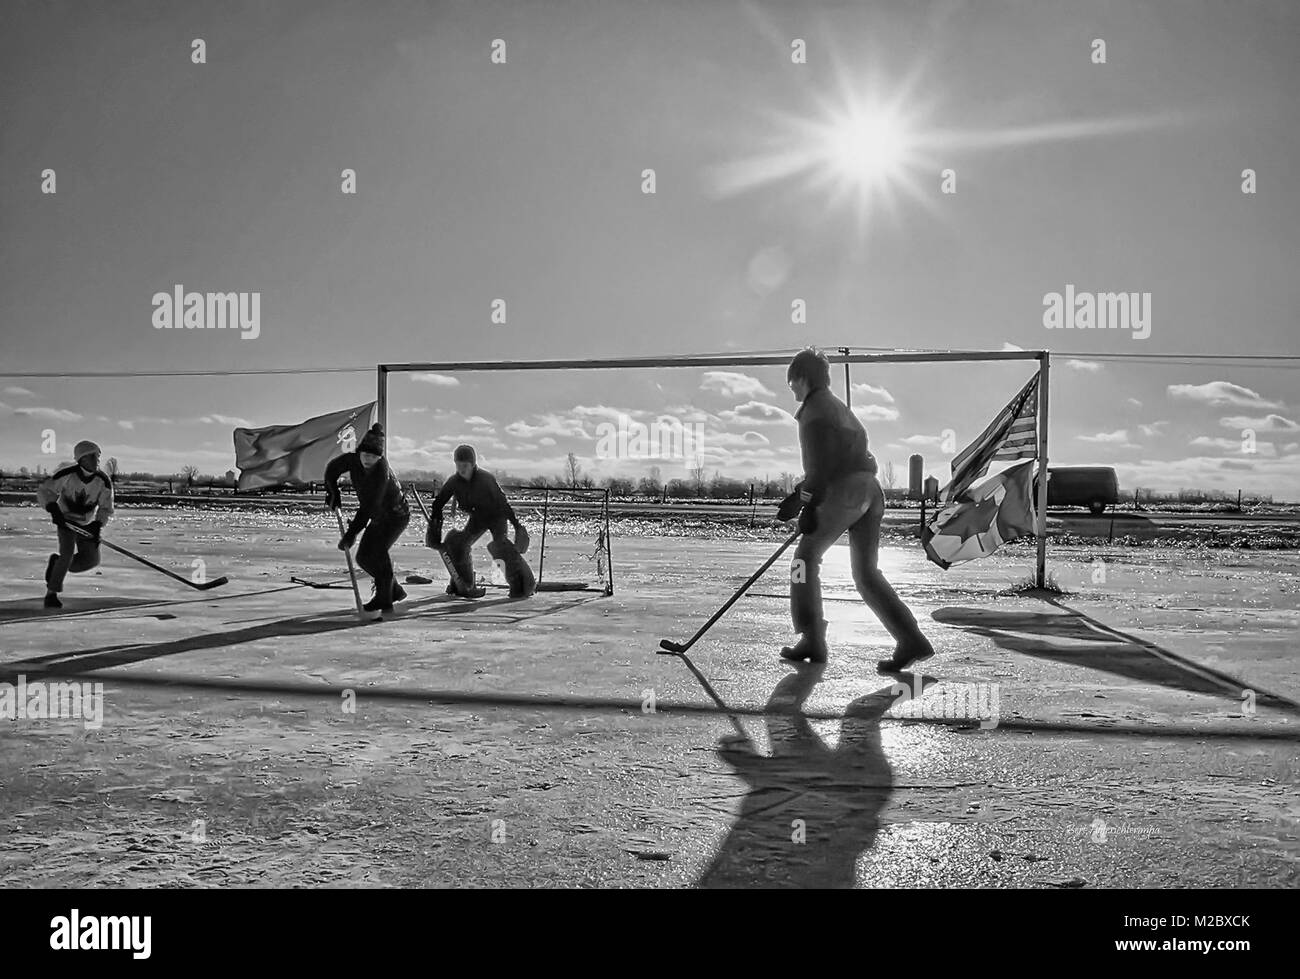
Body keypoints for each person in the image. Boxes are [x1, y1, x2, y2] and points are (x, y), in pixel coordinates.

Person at [778, 347, 935, 672]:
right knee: (865, 573)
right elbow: (840, 457)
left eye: (792, 382)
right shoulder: (837, 407)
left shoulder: (814, 411)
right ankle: (910, 638)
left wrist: (805, 503)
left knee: (803, 560)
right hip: (870, 491)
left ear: (803, 378)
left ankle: (811, 637)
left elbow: (821, 466)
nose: (792, 389)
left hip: (845, 491)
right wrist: (800, 498)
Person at [426, 444, 534, 598]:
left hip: (496, 516)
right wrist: (435, 524)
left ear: (473, 464)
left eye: (465, 465)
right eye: (458, 465)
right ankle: (464, 583)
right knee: (460, 544)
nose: (461, 469)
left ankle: (521, 584)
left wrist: (516, 525)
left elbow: (502, 502)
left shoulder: (485, 479)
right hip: (478, 518)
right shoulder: (454, 481)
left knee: (500, 546)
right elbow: (439, 503)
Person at [323, 423, 410, 612]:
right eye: (365, 455)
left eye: (374, 456)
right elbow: (332, 469)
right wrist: (333, 491)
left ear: (379, 457)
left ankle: (384, 598)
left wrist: (351, 533)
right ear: (359, 453)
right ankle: (392, 590)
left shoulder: (381, 471)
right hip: (378, 515)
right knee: (363, 558)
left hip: (396, 515)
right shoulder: (353, 460)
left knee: (377, 552)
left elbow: (369, 507)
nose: (368, 460)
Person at [36, 440, 115, 609]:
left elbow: (106, 507)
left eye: (98, 457)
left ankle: (57, 564)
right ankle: (51, 594)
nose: (97, 461)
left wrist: (98, 524)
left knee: (90, 561)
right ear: (82, 459)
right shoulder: (66, 475)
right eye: (93, 457)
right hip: (66, 522)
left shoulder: (103, 481)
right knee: (67, 554)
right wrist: (52, 507)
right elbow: (45, 491)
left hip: (86, 525)